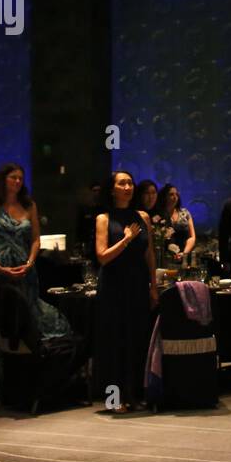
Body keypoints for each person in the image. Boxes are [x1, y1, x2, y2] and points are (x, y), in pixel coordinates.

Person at [0, 163, 71, 407]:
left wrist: (30, 262)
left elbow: (35, 239)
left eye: (20, 178)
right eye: (13, 177)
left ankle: (24, 384)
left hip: (24, 270)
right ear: (3, 180)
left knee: (26, 320)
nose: (17, 182)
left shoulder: (29, 206)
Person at [94, 171, 157, 413]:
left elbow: (149, 253)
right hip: (113, 285)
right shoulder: (103, 219)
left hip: (137, 283)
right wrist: (125, 239)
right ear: (112, 189)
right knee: (115, 341)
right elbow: (102, 257)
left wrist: (153, 286)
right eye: (122, 183)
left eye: (130, 183)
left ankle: (134, 395)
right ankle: (114, 399)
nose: (128, 187)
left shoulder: (143, 216)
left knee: (137, 339)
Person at [152, 184, 195, 266]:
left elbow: (192, 237)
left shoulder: (185, 213)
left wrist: (184, 253)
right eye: (171, 194)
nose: (175, 197)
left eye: (176, 194)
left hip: (185, 255)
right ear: (164, 197)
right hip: (165, 258)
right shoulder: (158, 215)